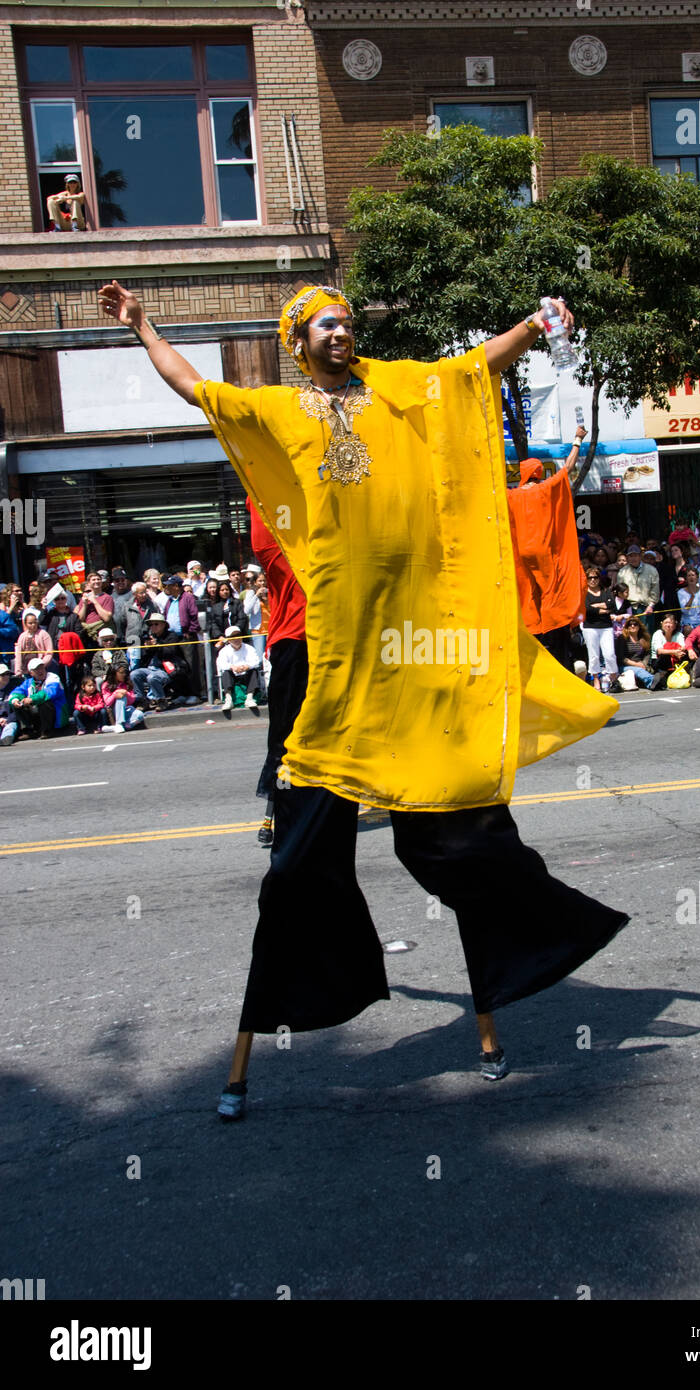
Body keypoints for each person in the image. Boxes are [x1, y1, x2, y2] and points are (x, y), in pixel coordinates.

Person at [98, 278, 631, 1119]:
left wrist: (530, 323)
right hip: (330, 660)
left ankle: (515, 981)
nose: (344, 332)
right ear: (297, 340)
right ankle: (265, 1038)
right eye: (327, 324)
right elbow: (195, 387)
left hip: (411, 656)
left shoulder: (394, 387)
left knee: (455, 835)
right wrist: (141, 325)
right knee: (299, 864)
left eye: (349, 321)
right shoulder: (277, 409)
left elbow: (467, 371)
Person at [247, 494, 308, 847]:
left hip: (312, 643)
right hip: (295, 644)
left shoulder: (318, 550)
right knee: (285, 736)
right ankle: (274, 812)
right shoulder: (279, 556)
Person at [506, 446, 587, 671]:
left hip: (522, 553)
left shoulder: (511, 495)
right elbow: (568, 467)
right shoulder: (545, 488)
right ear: (539, 473)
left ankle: (535, 632)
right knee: (554, 594)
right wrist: (577, 440)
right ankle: (561, 630)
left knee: (529, 595)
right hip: (544, 553)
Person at [130, 613, 192, 707]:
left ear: (163, 625)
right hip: (150, 668)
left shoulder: (171, 636)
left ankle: (161, 701)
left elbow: (170, 653)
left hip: (165, 669)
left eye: (156, 624)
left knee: (152, 677)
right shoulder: (150, 638)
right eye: (151, 624)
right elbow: (144, 659)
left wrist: (157, 646)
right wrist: (147, 648)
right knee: (134, 674)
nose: (153, 626)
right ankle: (142, 701)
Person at [579, 565, 618, 693]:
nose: (593, 580)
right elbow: (586, 609)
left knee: (610, 654)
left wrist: (595, 607)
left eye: (595, 577)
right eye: (589, 578)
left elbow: (612, 605)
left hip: (606, 626)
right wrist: (602, 608)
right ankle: (595, 679)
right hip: (590, 627)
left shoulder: (606, 591)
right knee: (594, 655)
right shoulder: (584, 593)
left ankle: (613, 677)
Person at [8, 657, 69, 738]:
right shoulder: (28, 682)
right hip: (38, 713)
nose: (40, 671)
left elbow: (50, 693)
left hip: (56, 714)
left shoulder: (53, 678)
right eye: (36, 669)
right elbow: (17, 692)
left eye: (41, 667)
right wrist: (15, 700)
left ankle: (47, 731)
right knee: (18, 704)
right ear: (31, 673)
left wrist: (32, 699)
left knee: (45, 702)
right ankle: (29, 730)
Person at [216, 625, 262, 714]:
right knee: (226, 673)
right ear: (228, 640)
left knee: (253, 671)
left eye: (238, 636)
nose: (236, 639)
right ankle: (228, 699)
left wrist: (247, 666)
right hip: (234, 675)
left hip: (245, 674)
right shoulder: (224, 651)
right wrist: (232, 667)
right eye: (233, 637)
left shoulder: (249, 648)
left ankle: (249, 698)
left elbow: (255, 661)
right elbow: (221, 663)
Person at [616, 544, 659, 620]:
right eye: (630, 556)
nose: (633, 558)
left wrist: (651, 606)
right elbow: (620, 591)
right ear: (627, 557)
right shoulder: (622, 572)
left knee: (646, 631)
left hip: (646, 608)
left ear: (640, 556)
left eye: (635, 555)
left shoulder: (652, 570)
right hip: (628, 608)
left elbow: (655, 590)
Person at [102, 662, 146, 732]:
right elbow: (107, 703)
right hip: (114, 710)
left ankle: (120, 726)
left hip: (126, 710)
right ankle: (119, 723)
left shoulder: (127, 683)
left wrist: (126, 693)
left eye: (124, 673)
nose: (124, 675)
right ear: (114, 673)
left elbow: (132, 700)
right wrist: (115, 693)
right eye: (121, 673)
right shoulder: (106, 685)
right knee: (121, 697)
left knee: (140, 715)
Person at [75, 571, 115, 643]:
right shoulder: (84, 598)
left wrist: (94, 601)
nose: (96, 581)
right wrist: (84, 604)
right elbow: (80, 619)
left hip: (102, 634)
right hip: (87, 634)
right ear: (89, 583)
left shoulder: (107, 598)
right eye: (93, 580)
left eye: (98, 579)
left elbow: (106, 618)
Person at [617, 616, 654, 689]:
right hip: (624, 666)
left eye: (635, 624)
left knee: (643, 669)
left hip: (641, 664)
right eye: (630, 624)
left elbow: (647, 654)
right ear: (627, 627)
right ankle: (652, 681)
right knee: (639, 670)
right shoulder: (622, 638)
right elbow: (621, 658)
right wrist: (636, 664)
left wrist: (643, 664)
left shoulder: (644, 638)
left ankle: (652, 684)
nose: (632, 626)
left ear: (639, 626)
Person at [13, 609, 53, 675]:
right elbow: (18, 654)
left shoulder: (44, 634)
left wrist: (41, 665)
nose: (33, 625)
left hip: (41, 669)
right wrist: (18, 670)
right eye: (30, 623)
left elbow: (49, 653)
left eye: (35, 622)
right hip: (26, 669)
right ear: (25, 624)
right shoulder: (22, 636)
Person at [0, 662, 24, 746]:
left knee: (11, 727)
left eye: (8, 674)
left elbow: (17, 711)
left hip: (10, 720)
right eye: (3, 675)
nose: (6, 677)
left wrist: (8, 720)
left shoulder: (14, 690)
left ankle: (5, 740)